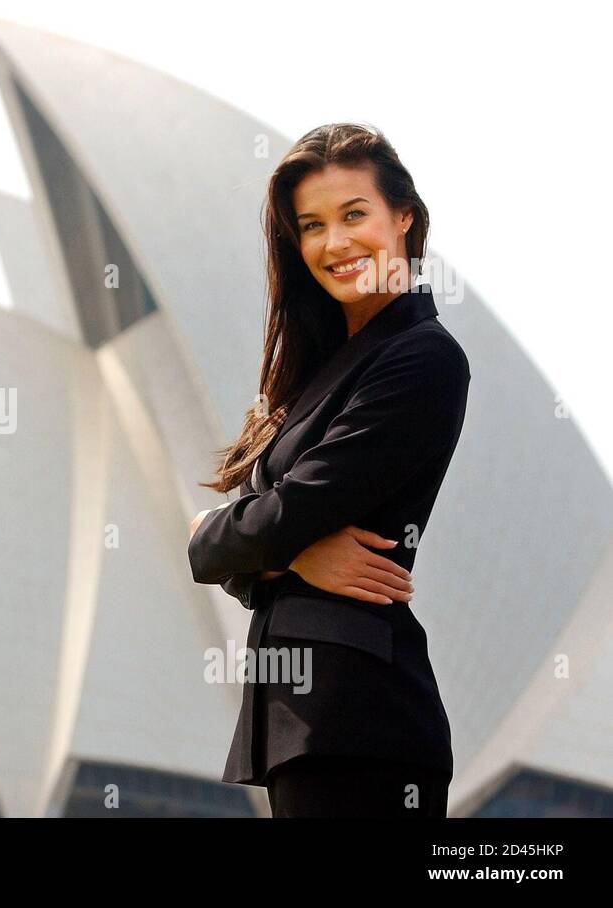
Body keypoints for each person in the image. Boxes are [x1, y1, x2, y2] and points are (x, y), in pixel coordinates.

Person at [186, 123, 471, 818]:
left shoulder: (422, 357)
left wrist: (245, 540)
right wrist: (288, 553)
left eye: (354, 215)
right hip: (313, 725)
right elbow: (257, 533)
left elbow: (282, 516)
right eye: (311, 226)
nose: (334, 244)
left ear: (403, 216)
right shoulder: (316, 373)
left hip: (361, 720)